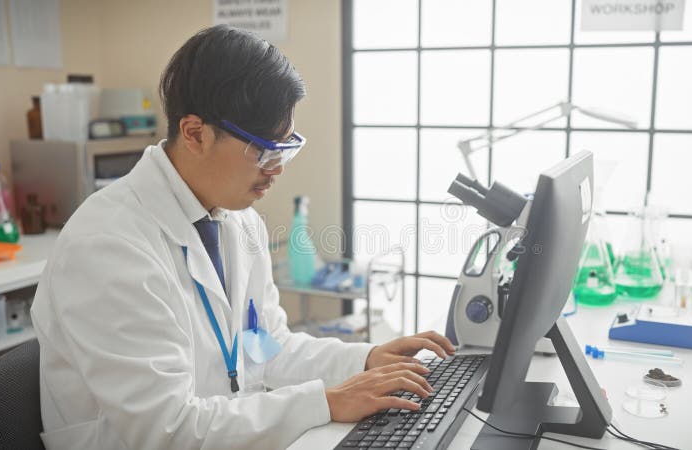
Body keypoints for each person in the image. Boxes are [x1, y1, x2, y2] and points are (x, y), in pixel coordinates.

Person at [30, 25, 454, 450]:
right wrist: (327, 402)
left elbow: (265, 349)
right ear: (195, 132)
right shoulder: (108, 246)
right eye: (264, 150)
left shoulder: (238, 221)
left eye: (285, 148)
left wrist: (364, 359)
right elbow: (165, 428)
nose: (277, 168)